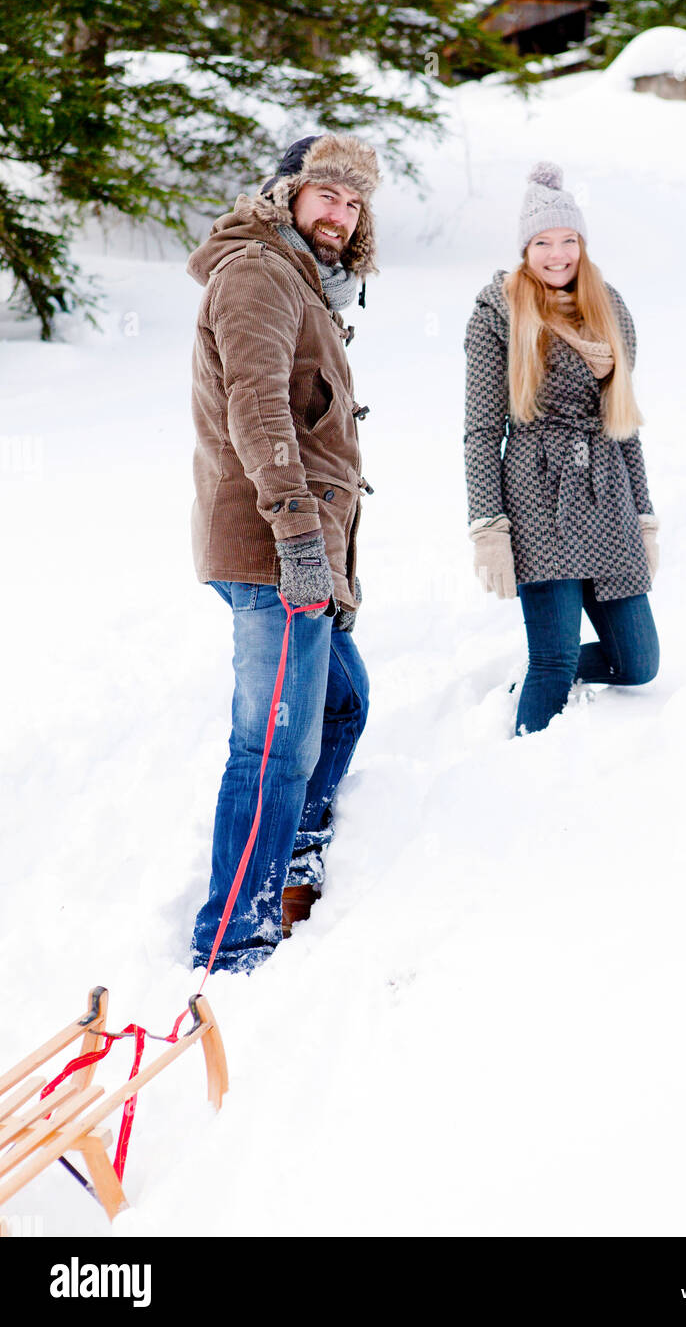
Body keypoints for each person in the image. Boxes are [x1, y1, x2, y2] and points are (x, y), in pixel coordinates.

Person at [186, 132, 380, 973]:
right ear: (287, 193)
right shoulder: (260, 273)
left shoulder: (300, 279)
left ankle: (293, 850)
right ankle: (234, 930)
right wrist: (300, 536)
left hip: (303, 546)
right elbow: (257, 409)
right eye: (325, 194)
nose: (338, 213)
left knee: (341, 703)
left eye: (353, 201)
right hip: (274, 548)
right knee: (271, 745)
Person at [463, 162, 660, 736]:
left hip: (608, 499)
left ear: (582, 243)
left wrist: (644, 518)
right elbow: (480, 430)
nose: (557, 255)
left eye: (568, 240)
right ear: (525, 249)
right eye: (543, 242)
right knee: (556, 660)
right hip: (537, 497)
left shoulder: (609, 307)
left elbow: (623, 422)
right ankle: (527, 769)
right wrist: (488, 525)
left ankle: (546, 670)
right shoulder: (498, 311)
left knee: (639, 662)